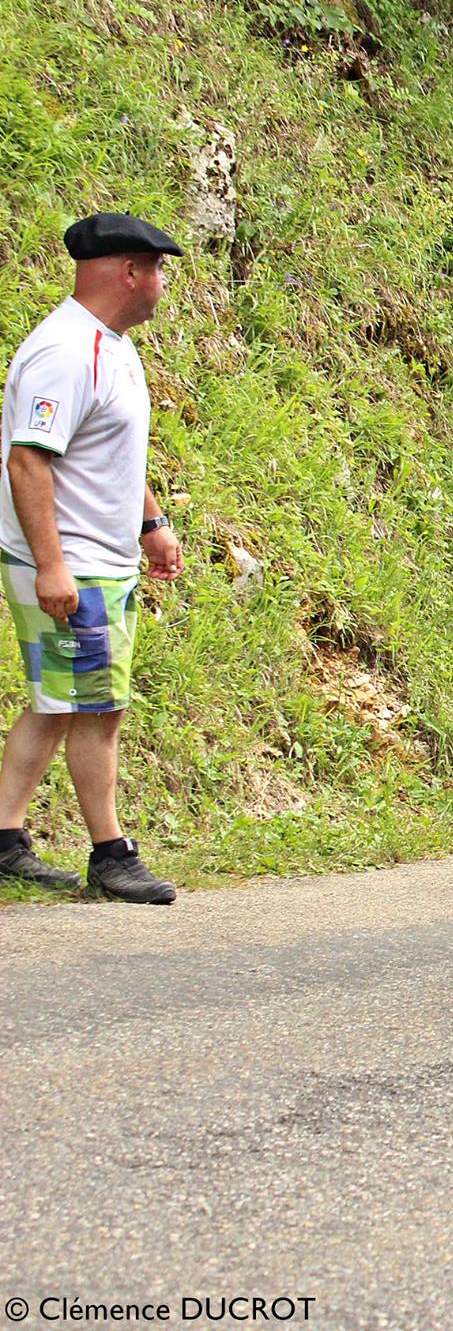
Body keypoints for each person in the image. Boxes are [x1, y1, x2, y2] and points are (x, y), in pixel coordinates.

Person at [0, 214, 186, 903]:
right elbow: (27, 458)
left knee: (56, 704)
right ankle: (111, 854)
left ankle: (4, 838)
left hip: (99, 556)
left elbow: (107, 447)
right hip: (73, 563)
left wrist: (152, 521)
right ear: (128, 272)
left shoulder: (113, 346)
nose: (163, 283)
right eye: (157, 268)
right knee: (97, 708)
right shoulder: (67, 352)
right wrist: (52, 566)